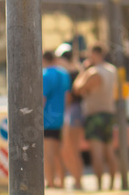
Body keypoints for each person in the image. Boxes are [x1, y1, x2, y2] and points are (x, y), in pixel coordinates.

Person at [73, 44, 118, 191]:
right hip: (109, 113)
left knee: (97, 153)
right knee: (109, 151)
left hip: (95, 115)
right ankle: (112, 185)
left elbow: (78, 88)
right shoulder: (112, 70)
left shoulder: (93, 72)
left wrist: (83, 71)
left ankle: (99, 187)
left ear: (95, 54)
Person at [56, 43, 84, 190]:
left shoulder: (68, 70)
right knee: (72, 148)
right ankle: (77, 180)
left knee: (69, 148)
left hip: (72, 111)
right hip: (76, 110)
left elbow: (69, 96)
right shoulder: (77, 68)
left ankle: (78, 181)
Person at [42, 50, 71, 189]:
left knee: (48, 153)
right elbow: (68, 96)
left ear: (43, 60)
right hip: (60, 117)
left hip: (46, 118)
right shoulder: (64, 73)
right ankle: (62, 182)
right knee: (58, 152)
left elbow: (42, 97)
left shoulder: (46, 74)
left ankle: (51, 182)